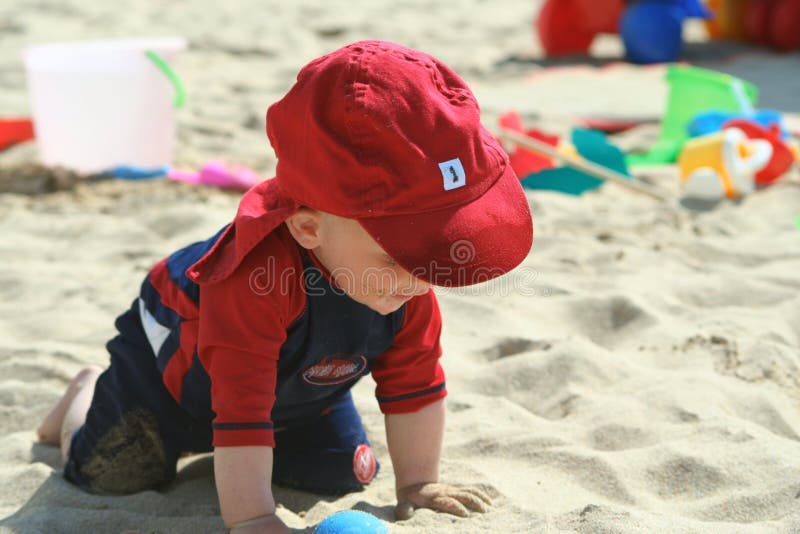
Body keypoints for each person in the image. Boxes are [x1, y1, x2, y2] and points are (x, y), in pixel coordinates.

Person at [36, 40, 534, 533]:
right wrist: (253, 518)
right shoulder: (254, 281)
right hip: (172, 379)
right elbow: (240, 407)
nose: (421, 275)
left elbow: (416, 385)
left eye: (434, 248)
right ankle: (82, 395)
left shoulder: (408, 283)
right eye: (398, 252)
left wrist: (418, 486)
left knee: (340, 474)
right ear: (308, 228)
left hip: (303, 385)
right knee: (111, 473)